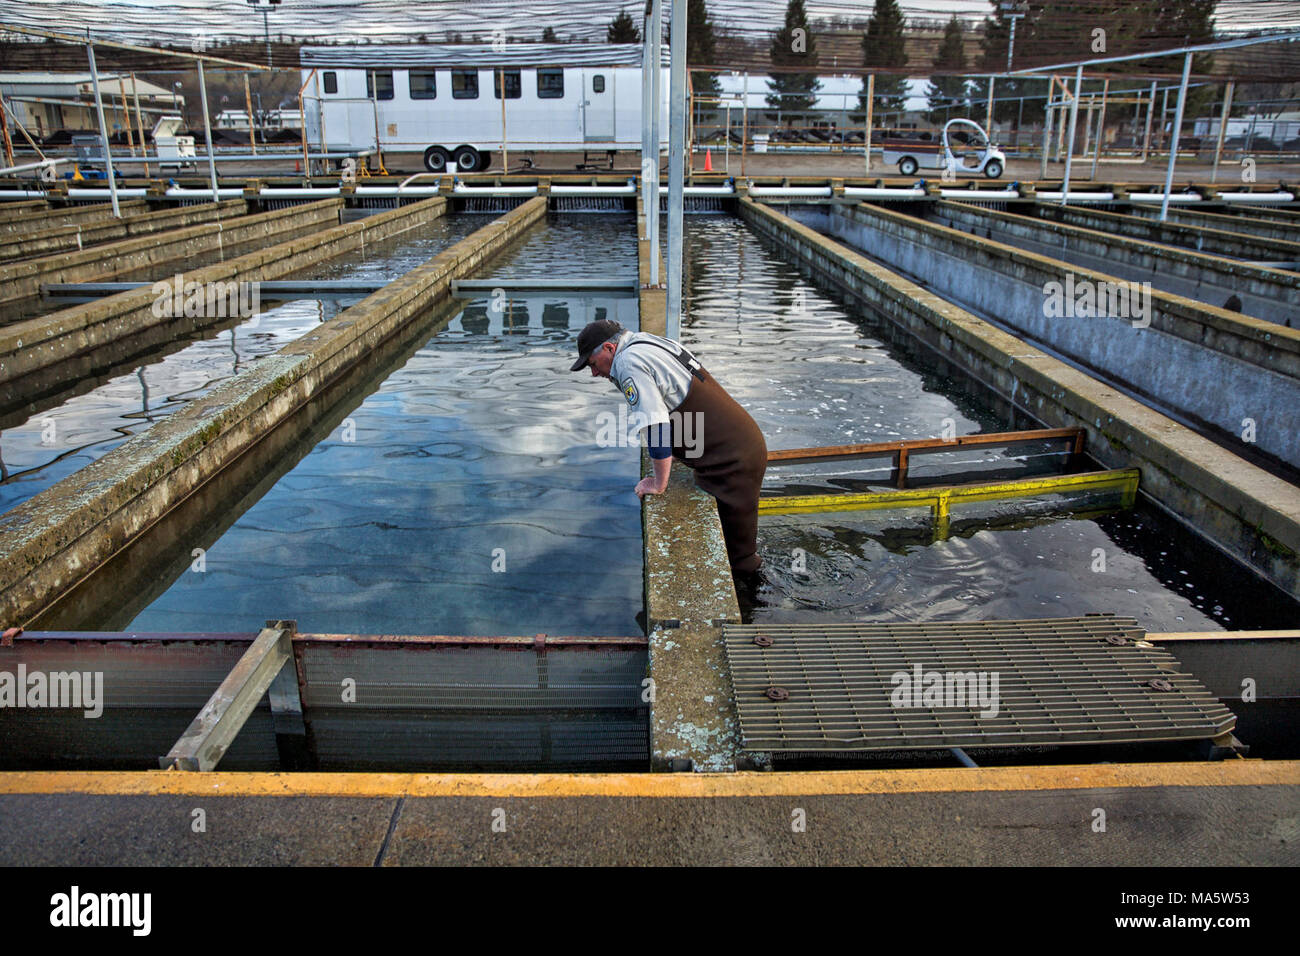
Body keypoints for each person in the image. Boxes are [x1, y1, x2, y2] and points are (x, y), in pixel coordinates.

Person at [570, 319, 767, 575]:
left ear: (609, 348)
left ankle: (763, 605)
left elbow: (655, 424)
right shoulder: (648, 341)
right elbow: (676, 399)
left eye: (593, 365)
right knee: (733, 544)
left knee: (739, 558)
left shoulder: (628, 362)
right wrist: (674, 452)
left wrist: (658, 482)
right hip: (739, 444)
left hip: (731, 460)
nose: (595, 373)